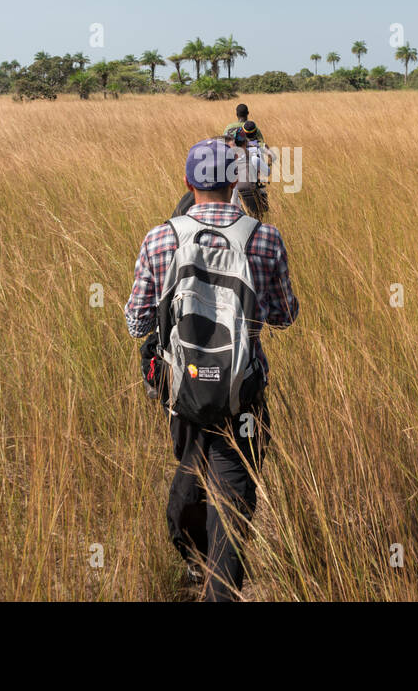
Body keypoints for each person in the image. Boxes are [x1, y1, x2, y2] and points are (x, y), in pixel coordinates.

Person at [126, 138, 299, 601]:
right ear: (235, 182)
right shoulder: (265, 238)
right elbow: (284, 315)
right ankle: (221, 585)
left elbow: (136, 320)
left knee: (190, 473)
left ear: (188, 182)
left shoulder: (160, 237)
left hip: (183, 392)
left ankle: (194, 561)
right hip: (243, 394)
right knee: (233, 493)